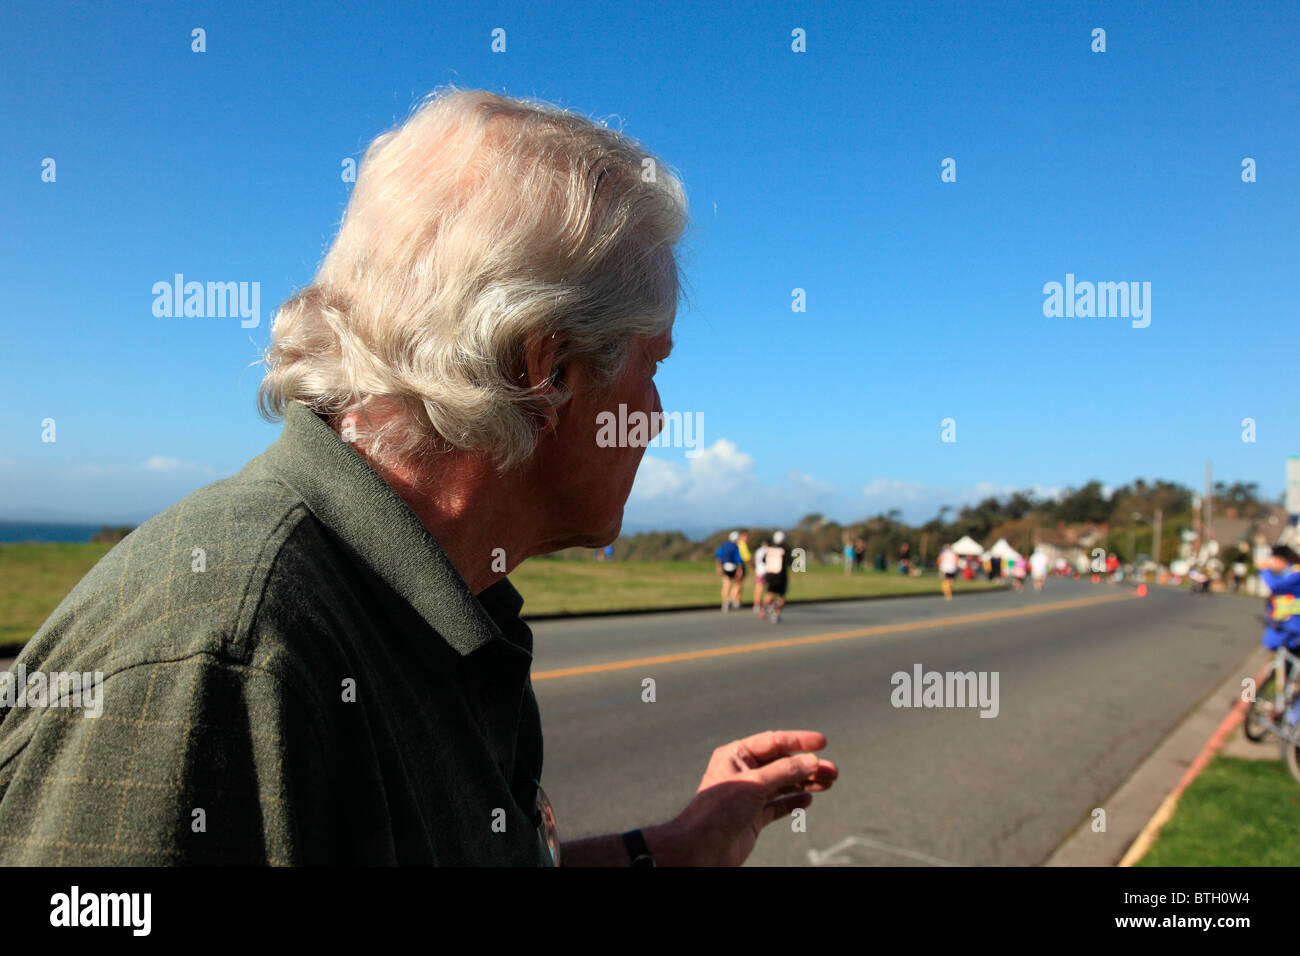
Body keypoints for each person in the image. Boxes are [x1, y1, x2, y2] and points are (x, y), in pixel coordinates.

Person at [0, 87, 837, 866]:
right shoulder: (228, 664)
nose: (655, 415)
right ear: (543, 371)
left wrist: (673, 848)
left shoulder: (438, 599)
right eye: (651, 366)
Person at [760, 531, 793, 623]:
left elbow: (763, 560)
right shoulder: (785, 549)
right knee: (781, 597)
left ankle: (764, 608)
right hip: (781, 577)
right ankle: (776, 614)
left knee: (770, 593)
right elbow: (789, 562)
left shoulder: (769, 548)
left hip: (770, 575)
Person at [716, 531, 744, 611]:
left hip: (724, 567)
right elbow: (738, 559)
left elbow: (719, 556)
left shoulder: (723, 545)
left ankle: (725, 602)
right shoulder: (736, 547)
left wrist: (719, 566)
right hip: (733, 567)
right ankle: (731, 597)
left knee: (726, 585)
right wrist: (739, 569)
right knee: (738, 583)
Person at [752, 539, 769, 612]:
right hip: (767, 571)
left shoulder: (758, 551)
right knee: (768, 590)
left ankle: (756, 605)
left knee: (758, 588)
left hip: (759, 571)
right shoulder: (769, 550)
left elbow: (755, 561)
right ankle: (766, 605)